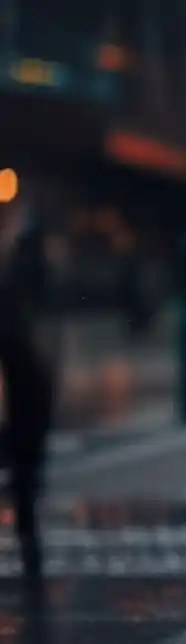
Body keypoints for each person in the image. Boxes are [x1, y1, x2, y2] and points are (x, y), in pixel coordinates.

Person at [0, 195, 56, 578]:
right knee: (27, 458)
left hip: (26, 374)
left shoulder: (17, 279)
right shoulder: (34, 279)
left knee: (23, 456)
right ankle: (27, 528)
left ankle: (26, 524)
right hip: (31, 374)